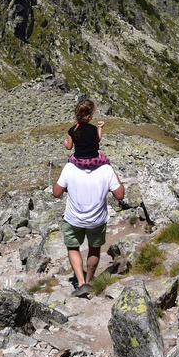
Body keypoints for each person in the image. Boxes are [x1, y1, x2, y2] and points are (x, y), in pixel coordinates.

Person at [53, 160, 125, 298]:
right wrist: (116, 177)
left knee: (73, 247)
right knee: (94, 248)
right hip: (96, 219)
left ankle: (81, 283)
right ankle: (90, 280)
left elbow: (56, 193)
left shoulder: (70, 167)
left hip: (73, 219)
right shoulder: (106, 169)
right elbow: (120, 195)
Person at [63, 99, 110, 169]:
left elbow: (69, 147)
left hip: (78, 160)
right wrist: (100, 128)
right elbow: (98, 140)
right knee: (107, 161)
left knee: (69, 162)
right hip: (94, 159)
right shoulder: (93, 128)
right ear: (89, 116)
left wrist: (65, 142)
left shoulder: (72, 130)